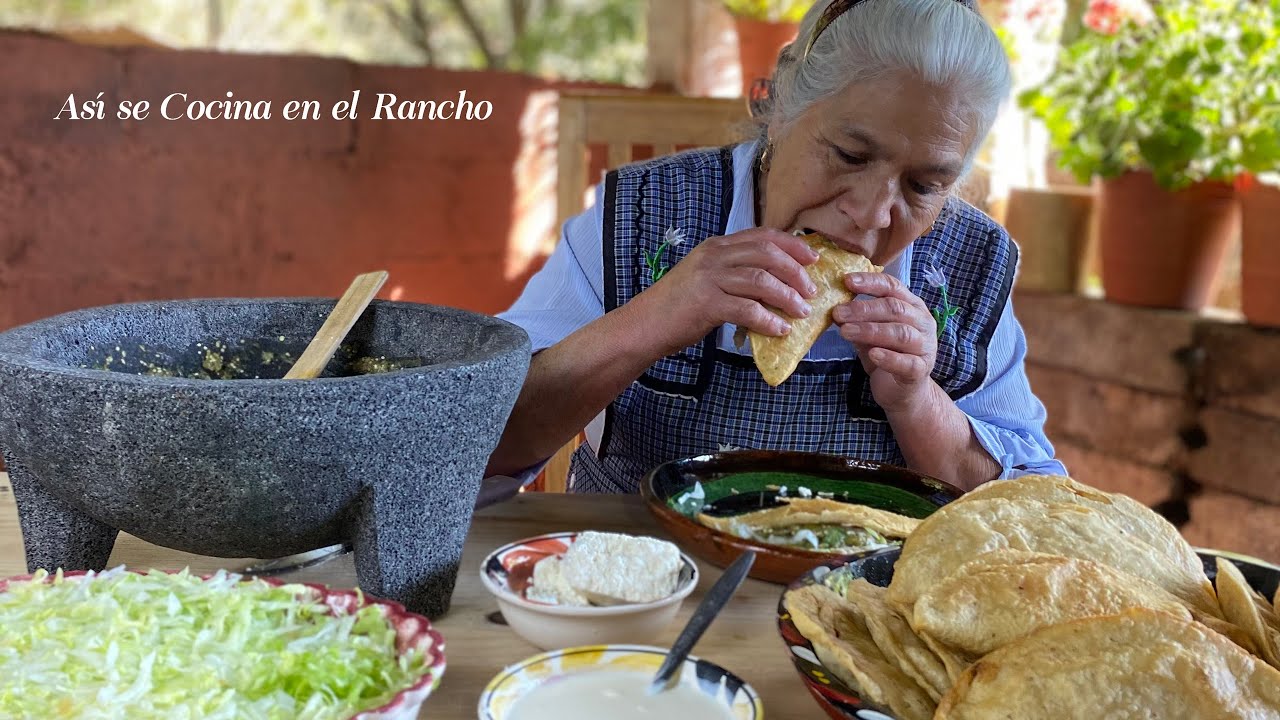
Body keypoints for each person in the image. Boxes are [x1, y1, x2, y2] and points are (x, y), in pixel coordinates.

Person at [486, 0, 1067, 494]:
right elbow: (481, 449)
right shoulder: (640, 215)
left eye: (923, 186)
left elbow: (1034, 508)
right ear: (782, 109)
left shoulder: (969, 264)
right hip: (636, 599)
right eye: (849, 154)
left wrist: (918, 402)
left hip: (861, 614)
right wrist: (654, 318)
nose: (870, 213)